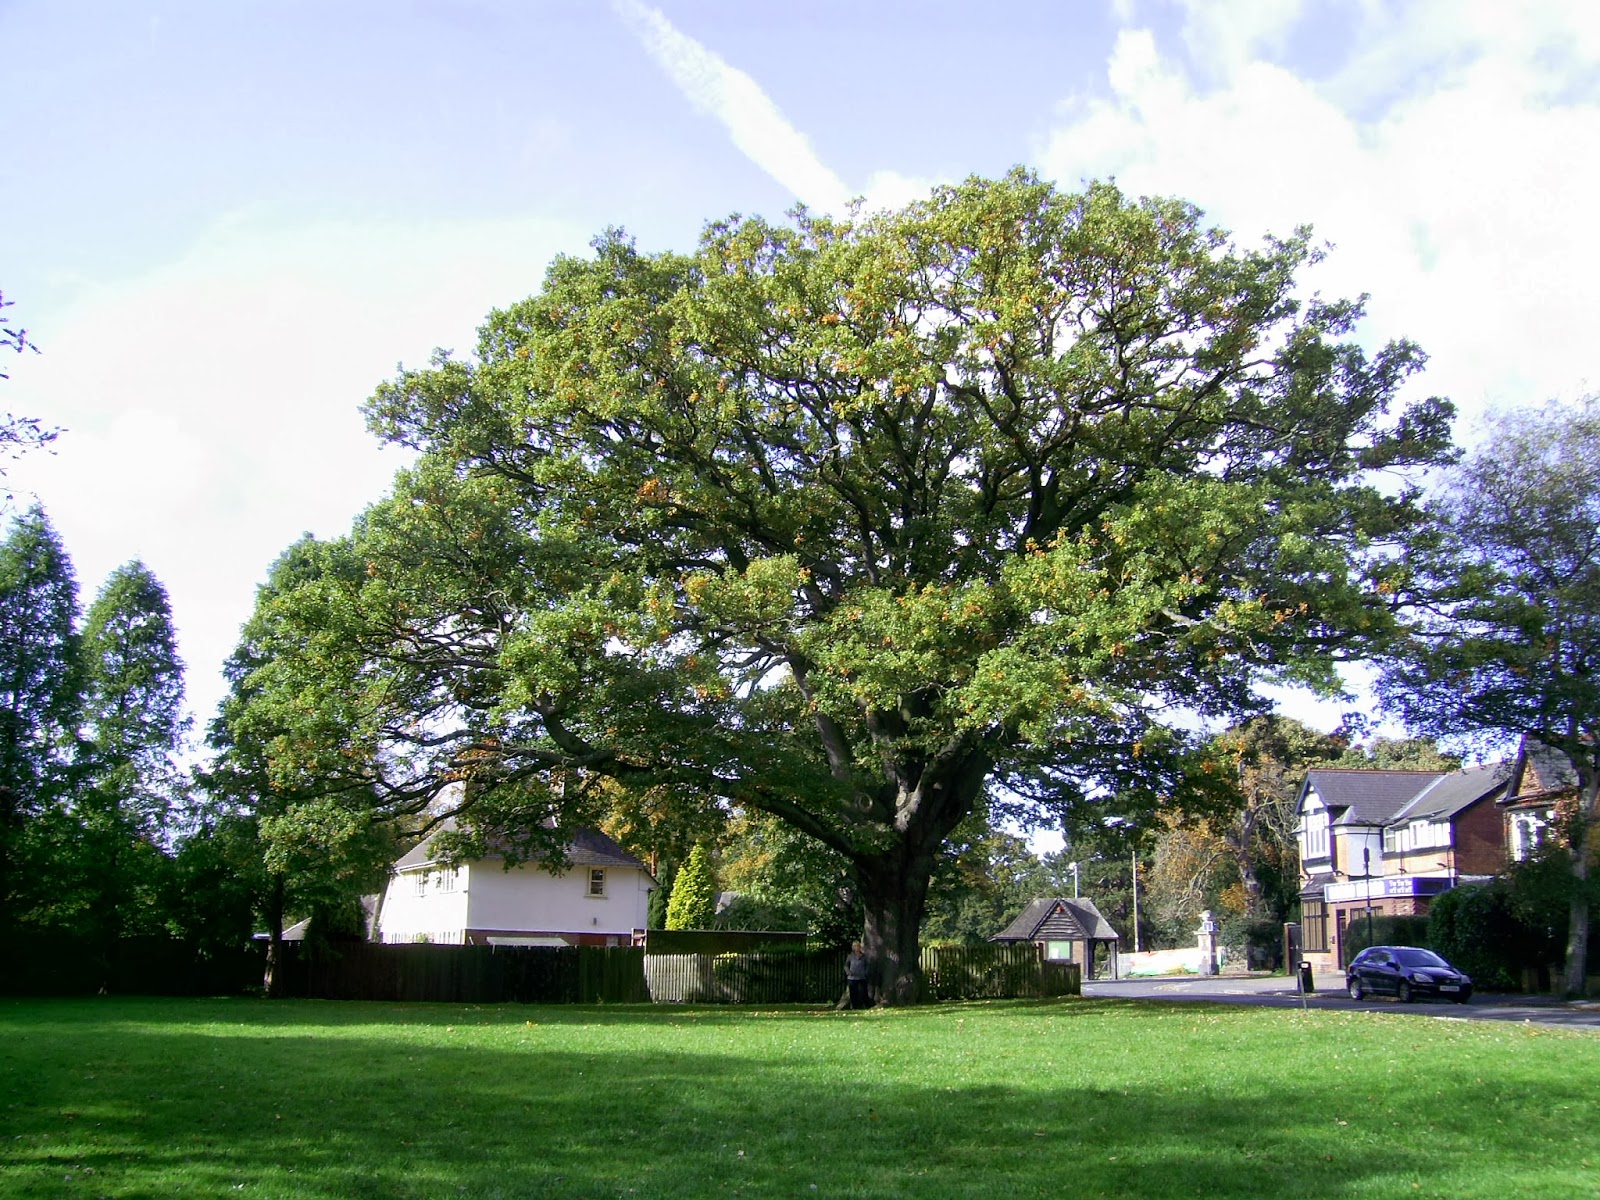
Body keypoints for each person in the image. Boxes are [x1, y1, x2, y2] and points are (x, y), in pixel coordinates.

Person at [845, 941, 872, 1010]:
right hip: (852, 977)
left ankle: (866, 1006)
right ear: (853, 948)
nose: (856, 948)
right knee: (853, 993)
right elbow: (846, 965)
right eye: (855, 946)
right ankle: (854, 1007)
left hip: (862, 977)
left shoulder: (864, 956)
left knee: (863, 992)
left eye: (858, 946)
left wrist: (865, 972)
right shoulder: (850, 956)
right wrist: (848, 972)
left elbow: (867, 966)